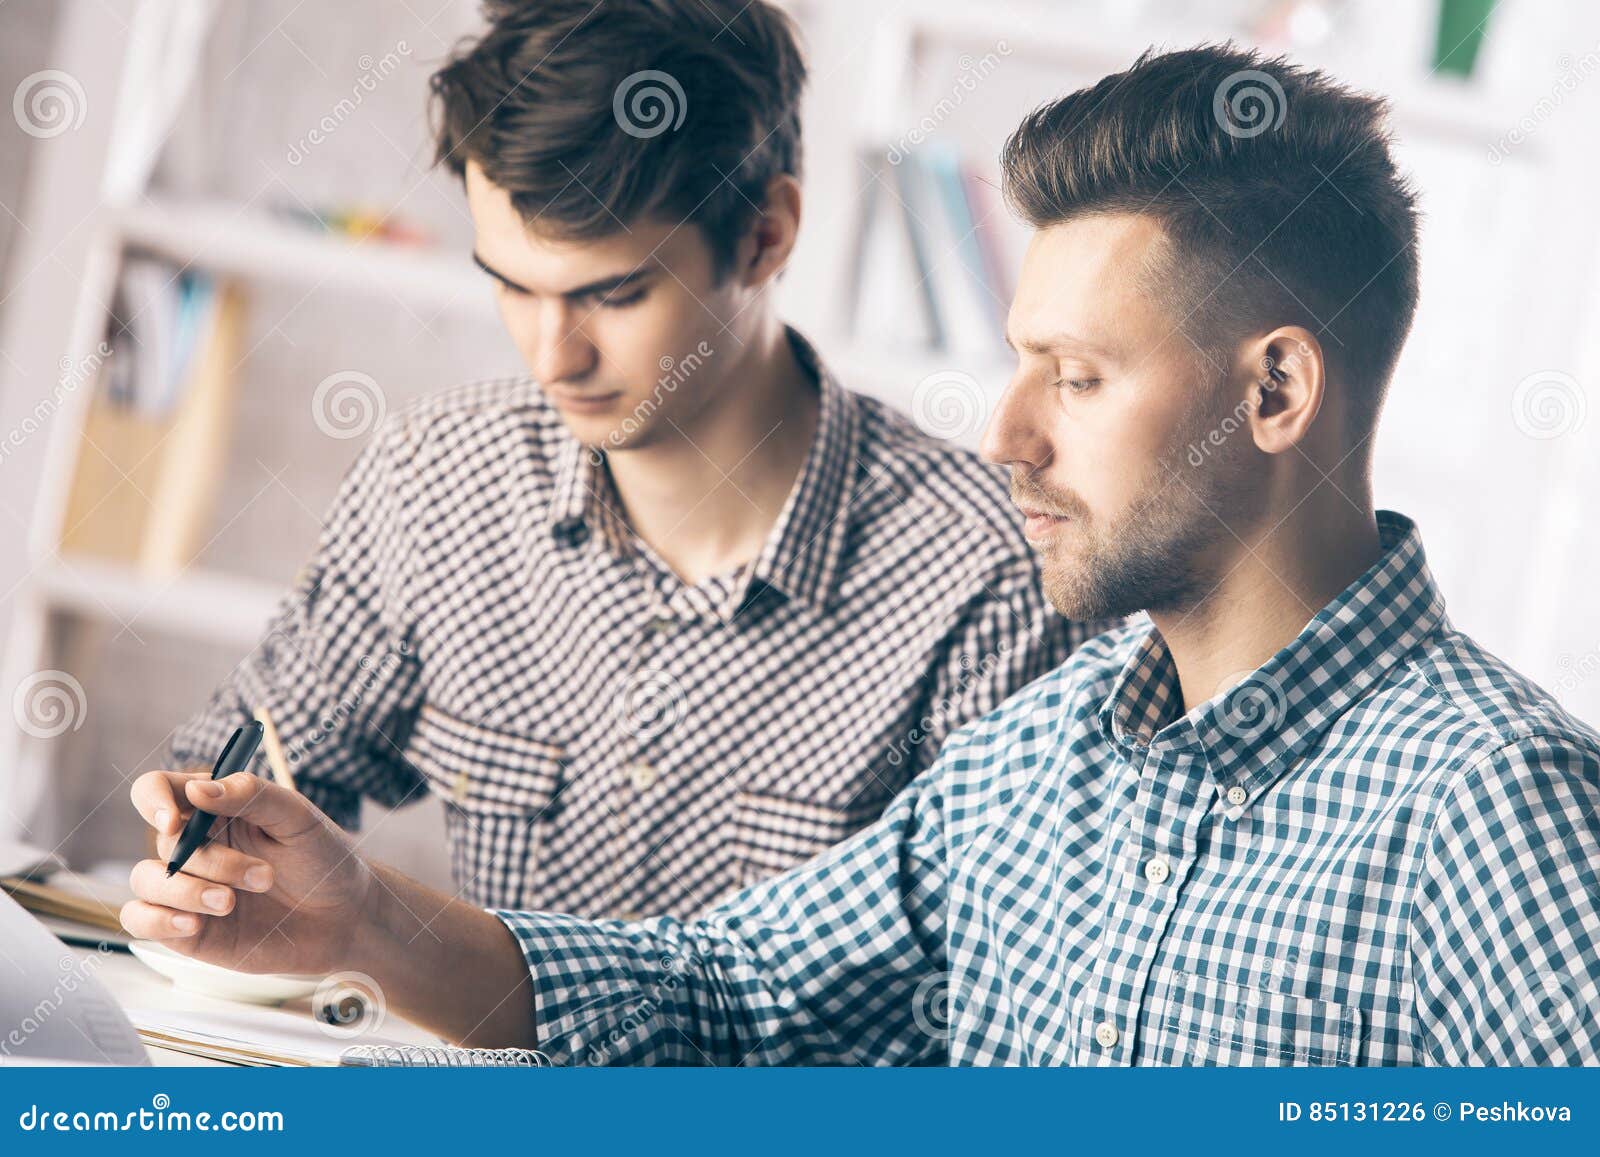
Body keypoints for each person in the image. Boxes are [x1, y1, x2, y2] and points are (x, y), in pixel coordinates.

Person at [125, 45, 1600, 1065]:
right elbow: (729, 1000)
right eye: (1019, 368)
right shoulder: (1048, 754)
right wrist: (368, 918)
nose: (1008, 435)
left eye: (1076, 378)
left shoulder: (1488, 804)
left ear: (1273, 393)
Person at [159, 0, 1097, 920]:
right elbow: (264, 758)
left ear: (767, 234)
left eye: (615, 293)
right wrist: (209, 831)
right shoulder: (436, 481)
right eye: (513, 288)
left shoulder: (995, 573)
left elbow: (987, 1001)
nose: (552, 353)